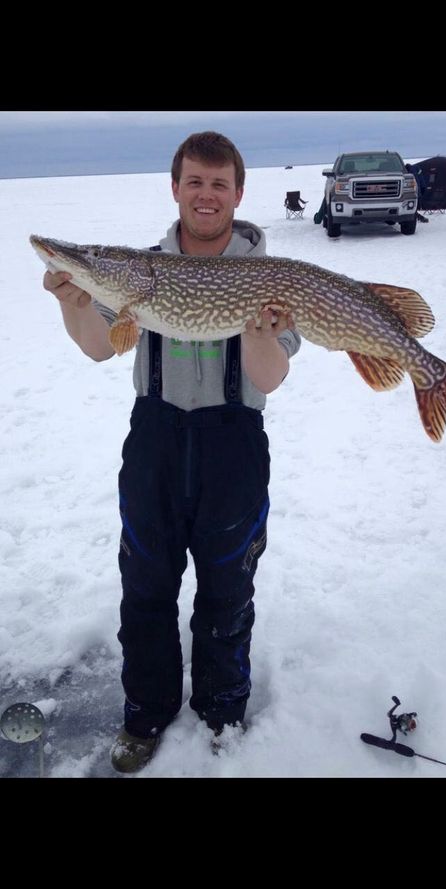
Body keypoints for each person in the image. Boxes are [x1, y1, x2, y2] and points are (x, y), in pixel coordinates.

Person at [42, 131, 301, 773]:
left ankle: (222, 710)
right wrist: (76, 298)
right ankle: (146, 713)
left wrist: (260, 331)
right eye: (194, 181)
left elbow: (268, 379)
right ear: (176, 187)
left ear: (238, 193)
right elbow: (100, 345)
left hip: (233, 448)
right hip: (155, 442)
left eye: (218, 184)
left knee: (227, 588)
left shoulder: (270, 276)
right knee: (146, 588)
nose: (206, 195)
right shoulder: (139, 271)